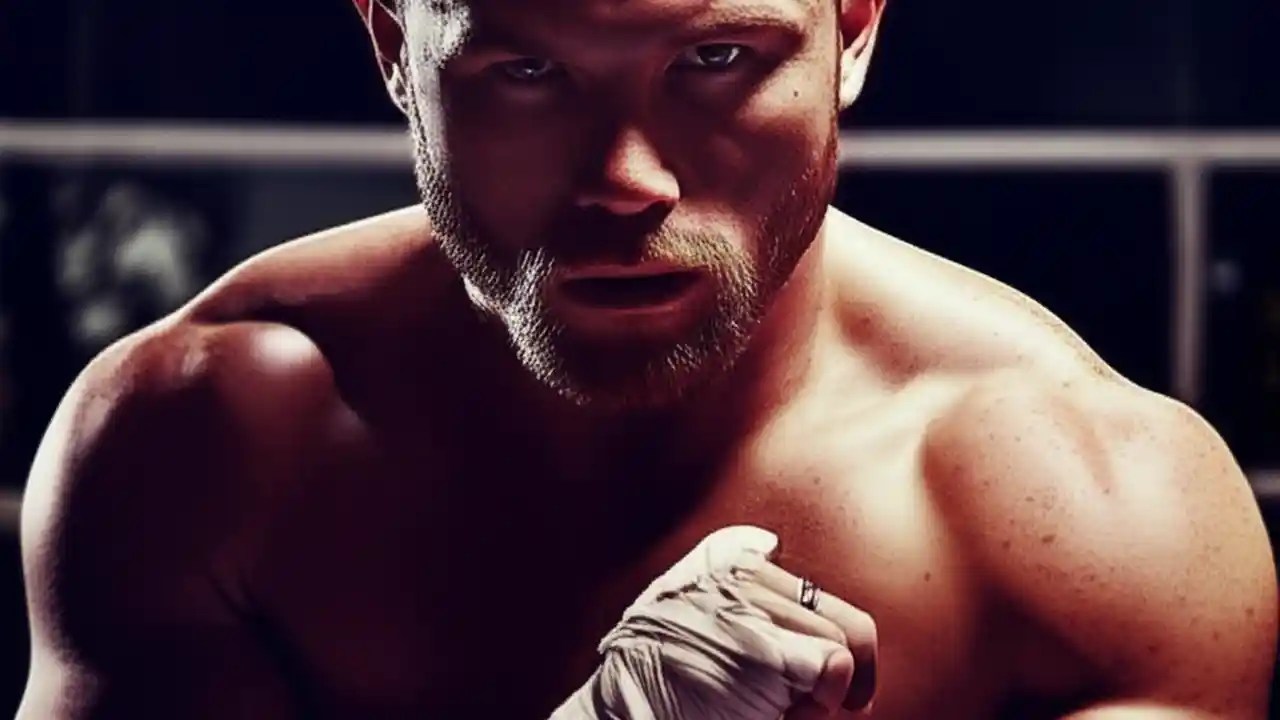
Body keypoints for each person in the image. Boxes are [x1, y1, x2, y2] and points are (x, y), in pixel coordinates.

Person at [16, 0, 1277, 717]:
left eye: (715, 60)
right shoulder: (201, 442)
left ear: (848, 29)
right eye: (525, 71)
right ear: (396, 46)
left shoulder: (1101, 516)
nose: (627, 180)